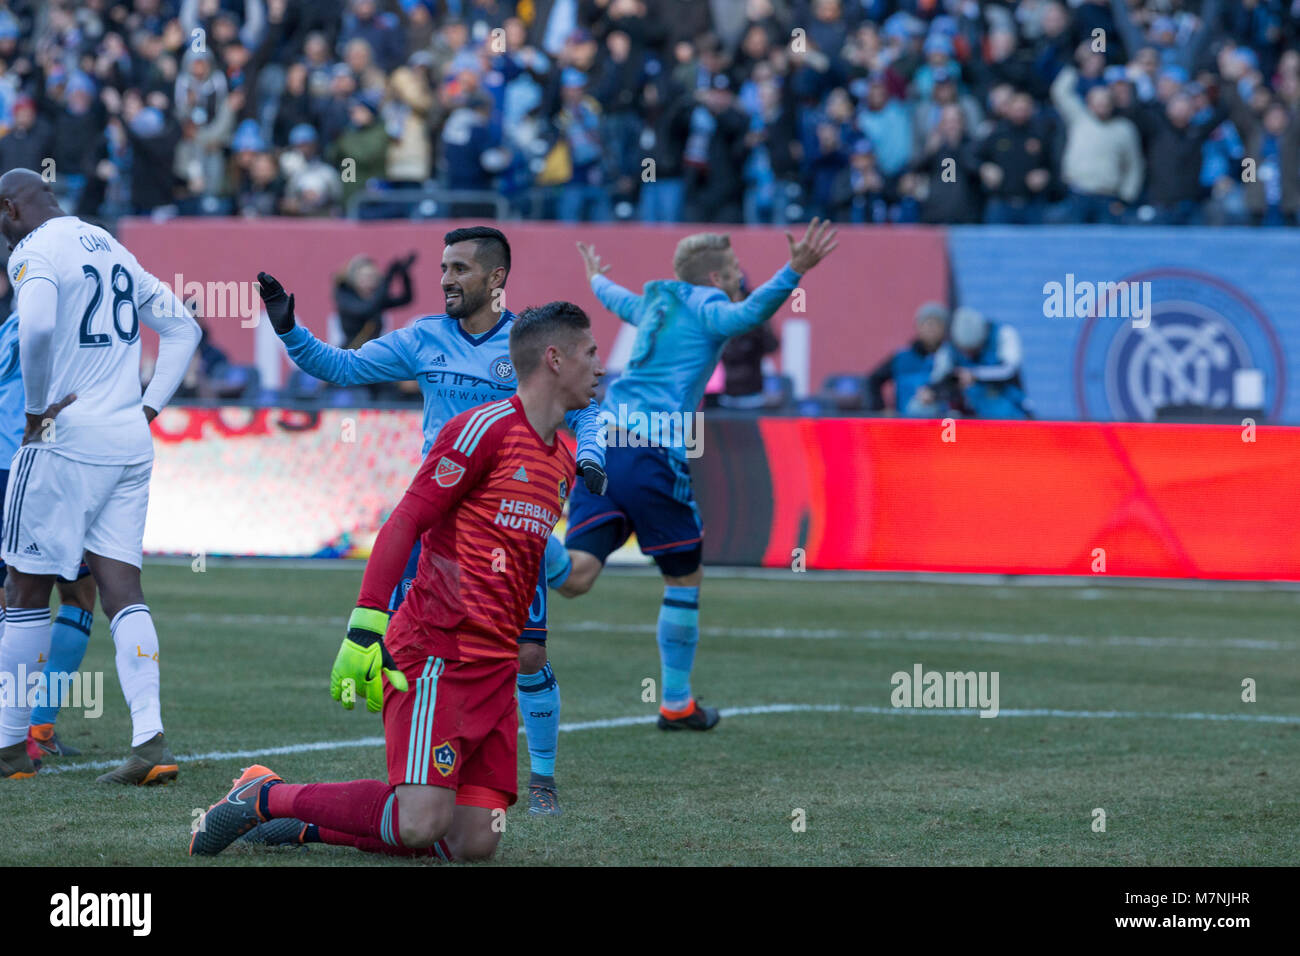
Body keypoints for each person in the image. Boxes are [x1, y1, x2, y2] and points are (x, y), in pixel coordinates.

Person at [190, 301, 601, 860]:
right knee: (419, 824)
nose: (600, 367)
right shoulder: (482, 429)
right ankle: (266, 795)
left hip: (495, 667)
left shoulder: (561, 460)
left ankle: (308, 829)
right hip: (439, 652)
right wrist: (365, 626)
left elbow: (550, 567)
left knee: (474, 842)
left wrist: (595, 550)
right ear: (554, 359)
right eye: (591, 354)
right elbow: (404, 521)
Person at [255, 226, 607, 815]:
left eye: (460, 269)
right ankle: (421, 772)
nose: (446, 279)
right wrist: (289, 328)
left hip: (515, 516)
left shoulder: (527, 343)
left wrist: (591, 458)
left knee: (527, 655)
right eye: (444, 268)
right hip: (444, 522)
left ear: (496, 278)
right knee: (414, 651)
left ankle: (540, 779)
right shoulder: (423, 338)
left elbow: (587, 407)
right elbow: (339, 368)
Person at [558, 220, 838, 730]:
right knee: (684, 577)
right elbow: (751, 313)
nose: (739, 278)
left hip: (604, 443)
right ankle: (677, 703)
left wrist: (596, 277)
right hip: (652, 453)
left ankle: (505, 544)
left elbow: (615, 299)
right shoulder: (707, 306)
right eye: (733, 270)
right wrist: (794, 270)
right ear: (714, 274)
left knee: (576, 575)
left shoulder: (654, 304)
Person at [0, 169, 200, 782]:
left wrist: (36, 409)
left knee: (25, 590)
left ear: (10, 209)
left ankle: (9, 749)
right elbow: (184, 327)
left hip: (64, 441)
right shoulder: (109, 244)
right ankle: (149, 741)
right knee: (122, 591)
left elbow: (34, 327)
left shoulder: (34, 252)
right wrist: (148, 407)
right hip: (127, 442)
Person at [0, 310, 97, 766]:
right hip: (35, 461)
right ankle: (21, 730)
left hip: (23, 461)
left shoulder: (17, 318)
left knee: (67, 590)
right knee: (30, 595)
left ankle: (35, 725)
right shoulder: (58, 316)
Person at [929, 307, 1032, 420]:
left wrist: (975, 375)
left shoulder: (1004, 335)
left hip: (1007, 409)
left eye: (974, 349)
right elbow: (938, 376)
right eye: (965, 351)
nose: (969, 356)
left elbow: (1008, 370)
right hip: (970, 412)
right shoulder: (948, 349)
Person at [866, 302, 949, 416]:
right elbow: (873, 380)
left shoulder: (951, 358)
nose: (931, 329)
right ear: (918, 327)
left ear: (944, 329)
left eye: (936, 324)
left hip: (942, 428)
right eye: (927, 323)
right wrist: (881, 409)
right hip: (906, 427)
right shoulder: (901, 358)